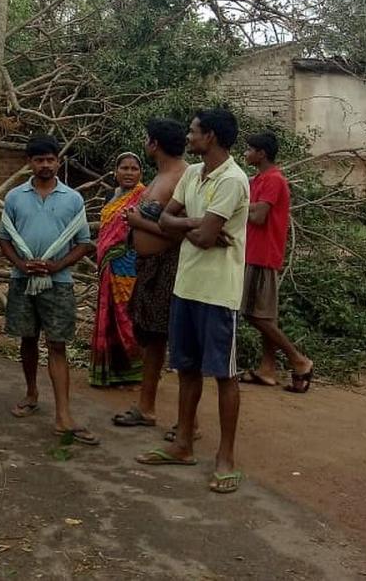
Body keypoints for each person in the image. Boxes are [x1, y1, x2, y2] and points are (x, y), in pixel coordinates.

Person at [138, 108, 249, 495]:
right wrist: (192, 224)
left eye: (194, 132)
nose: (188, 137)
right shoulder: (191, 174)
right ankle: (183, 444)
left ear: (211, 137)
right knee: (186, 368)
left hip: (218, 293)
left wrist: (188, 226)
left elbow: (200, 236)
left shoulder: (234, 180)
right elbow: (167, 220)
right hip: (185, 286)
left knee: (224, 374)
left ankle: (226, 457)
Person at [0, 135, 97, 445]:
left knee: (57, 345)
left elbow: (83, 243)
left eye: (50, 159)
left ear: (58, 161)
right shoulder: (15, 197)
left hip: (59, 283)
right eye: (38, 160)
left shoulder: (72, 199)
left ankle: (63, 412)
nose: (44, 165)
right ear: (30, 163)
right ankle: (31, 393)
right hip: (22, 279)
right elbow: (5, 238)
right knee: (27, 338)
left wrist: (58, 266)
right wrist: (20, 263)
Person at [113, 118, 189, 430]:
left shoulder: (185, 177)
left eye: (147, 138)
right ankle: (146, 407)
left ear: (154, 143)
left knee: (181, 344)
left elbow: (181, 229)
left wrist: (137, 223)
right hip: (148, 268)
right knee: (152, 340)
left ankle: (189, 423)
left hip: (170, 268)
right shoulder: (162, 176)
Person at [240, 132, 312, 392]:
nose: (246, 153)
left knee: (253, 314)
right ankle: (267, 369)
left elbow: (259, 217)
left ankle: (299, 360)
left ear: (262, 154)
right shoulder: (258, 179)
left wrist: (236, 207)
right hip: (254, 252)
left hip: (263, 254)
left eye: (250, 149)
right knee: (265, 314)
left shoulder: (273, 180)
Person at [89, 153, 146, 387]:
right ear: (115, 171)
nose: (129, 173)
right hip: (109, 264)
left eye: (134, 169)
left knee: (127, 316)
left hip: (131, 263)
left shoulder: (145, 195)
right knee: (109, 315)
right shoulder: (110, 197)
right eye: (124, 168)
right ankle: (111, 371)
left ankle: (134, 371)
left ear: (141, 173)